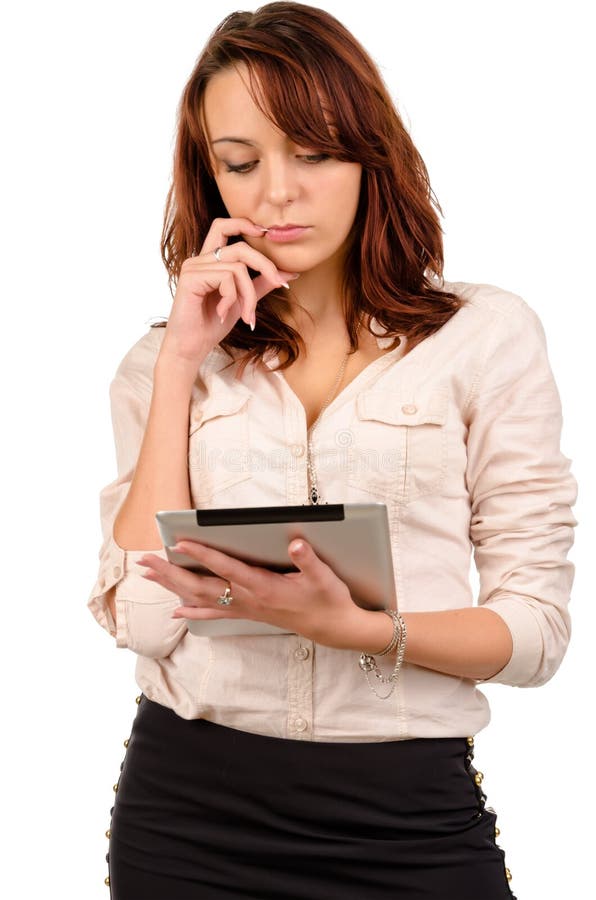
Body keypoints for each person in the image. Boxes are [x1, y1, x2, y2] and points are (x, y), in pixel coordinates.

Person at [87, 3, 578, 898]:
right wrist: (180, 365)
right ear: (212, 180)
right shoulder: (162, 365)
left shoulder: (486, 337)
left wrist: (352, 630)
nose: (277, 192)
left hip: (407, 821)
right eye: (241, 162)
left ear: (368, 153)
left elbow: (536, 635)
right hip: (188, 823)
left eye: (312, 152)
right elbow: (144, 622)